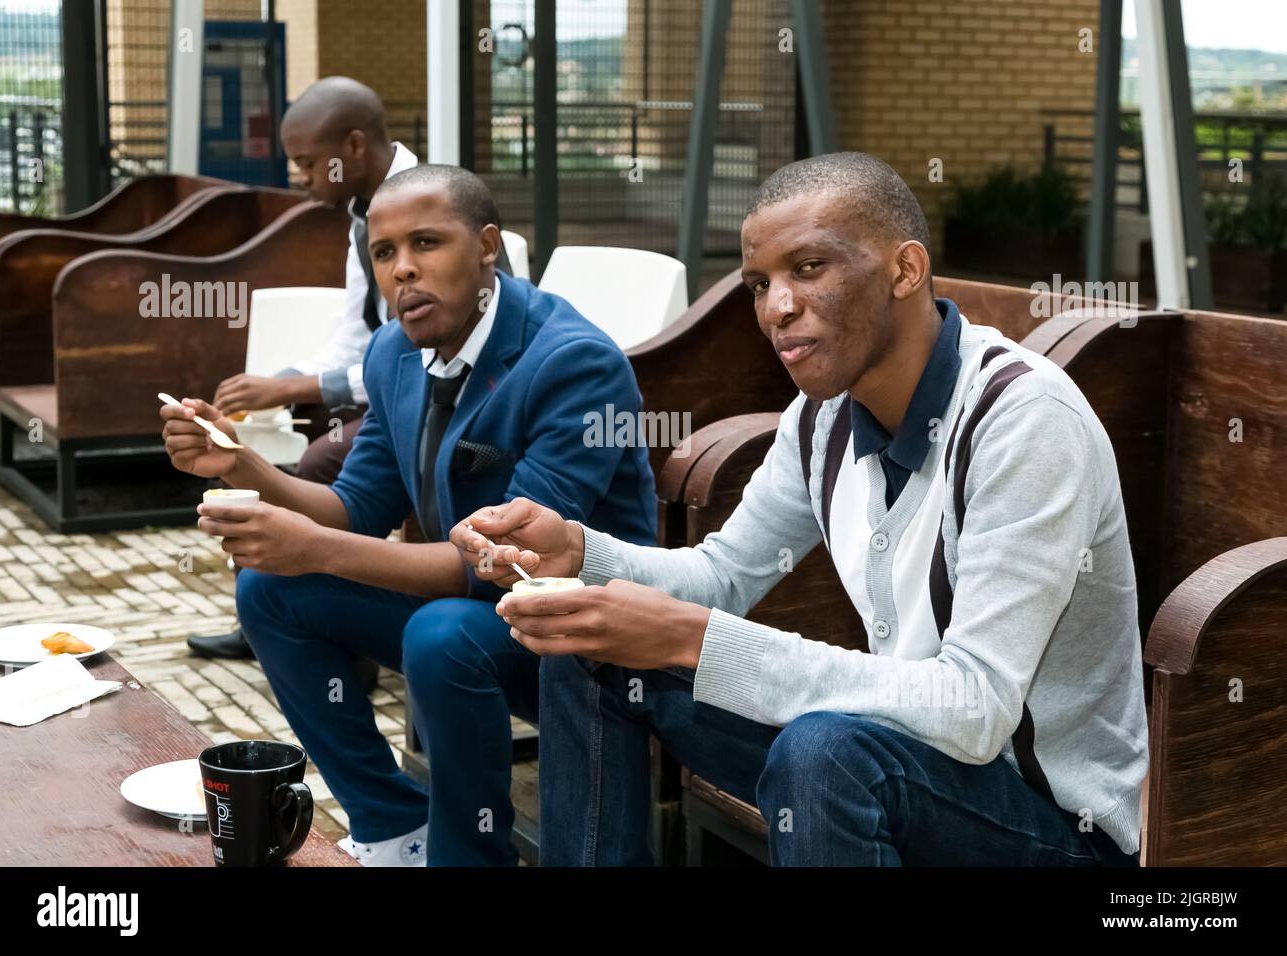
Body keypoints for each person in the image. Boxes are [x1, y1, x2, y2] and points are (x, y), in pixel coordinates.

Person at [454, 152, 1149, 867]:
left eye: (809, 268)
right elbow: (723, 576)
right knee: (592, 643)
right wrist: (579, 553)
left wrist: (693, 639)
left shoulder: (1024, 419)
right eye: (760, 283)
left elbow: (975, 709)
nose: (775, 308)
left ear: (904, 271)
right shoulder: (821, 419)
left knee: (827, 758)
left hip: (1050, 822)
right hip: (901, 759)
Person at [160, 165, 657, 866]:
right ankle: (396, 829)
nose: (404, 271)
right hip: (488, 618)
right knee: (269, 589)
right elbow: (357, 508)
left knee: (442, 633)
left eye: (427, 243)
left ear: (486, 246)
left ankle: (468, 855)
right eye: (385, 253)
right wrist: (237, 461)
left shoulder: (572, 363)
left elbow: (503, 570)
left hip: (586, 639)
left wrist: (315, 548)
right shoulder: (395, 352)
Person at [190, 76, 419, 661]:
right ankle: (282, 604)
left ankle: (328, 621)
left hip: (434, 401)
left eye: (309, 162)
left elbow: (424, 354)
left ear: (355, 147)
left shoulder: (425, 204)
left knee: (322, 455)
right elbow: (358, 339)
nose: (300, 177)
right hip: (392, 395)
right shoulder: (362, 214)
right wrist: (273, 383)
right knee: (292, 439)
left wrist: (295, 385)